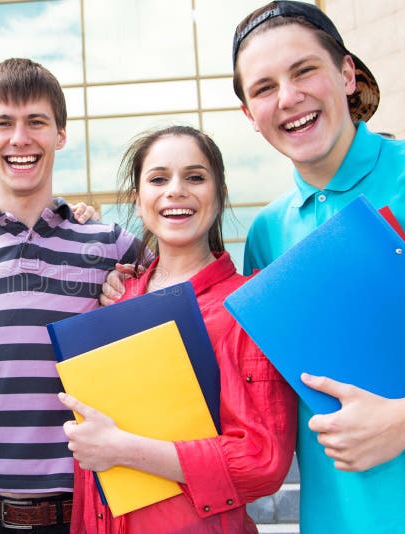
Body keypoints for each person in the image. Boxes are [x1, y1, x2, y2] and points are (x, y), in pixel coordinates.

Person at [0, 58, 142, 533]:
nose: (20, 138)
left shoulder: (112, 245)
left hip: (79, 511)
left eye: (36, 121)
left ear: (60, 134)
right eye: (3, 123)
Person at [231, 2, 405, 530]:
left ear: (346, 74)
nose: (288, 98)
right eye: (264, 87)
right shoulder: (266, 233)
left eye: (304, 71)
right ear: (250, 116)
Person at [61, 126, 296, 533]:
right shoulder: (115, 298)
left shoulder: (248, 308)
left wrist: (123, 449)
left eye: (194, 177)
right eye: (157, 178)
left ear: (219, 194)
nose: (175, 191)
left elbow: (262, 462)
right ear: (137, 200)